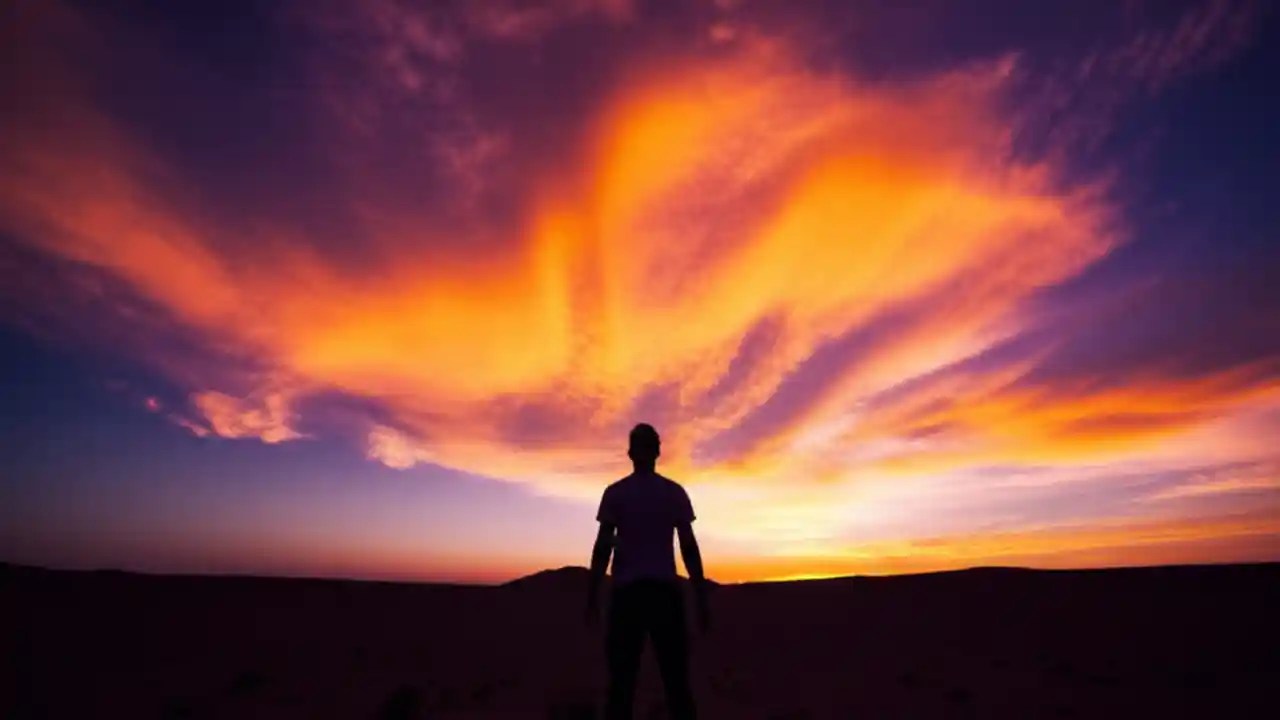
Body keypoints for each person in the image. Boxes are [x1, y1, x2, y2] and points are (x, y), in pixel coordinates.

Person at [585, 423, 710, 720]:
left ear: (631, 453)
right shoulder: (672, 492)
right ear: (657, 452)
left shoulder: (617, 493)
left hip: (629, 597)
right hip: (661, 595)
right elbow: (689, 548)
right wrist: (700, 595)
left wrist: (592, 595)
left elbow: (602, 548)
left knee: (623, 684)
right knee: (674, 682)